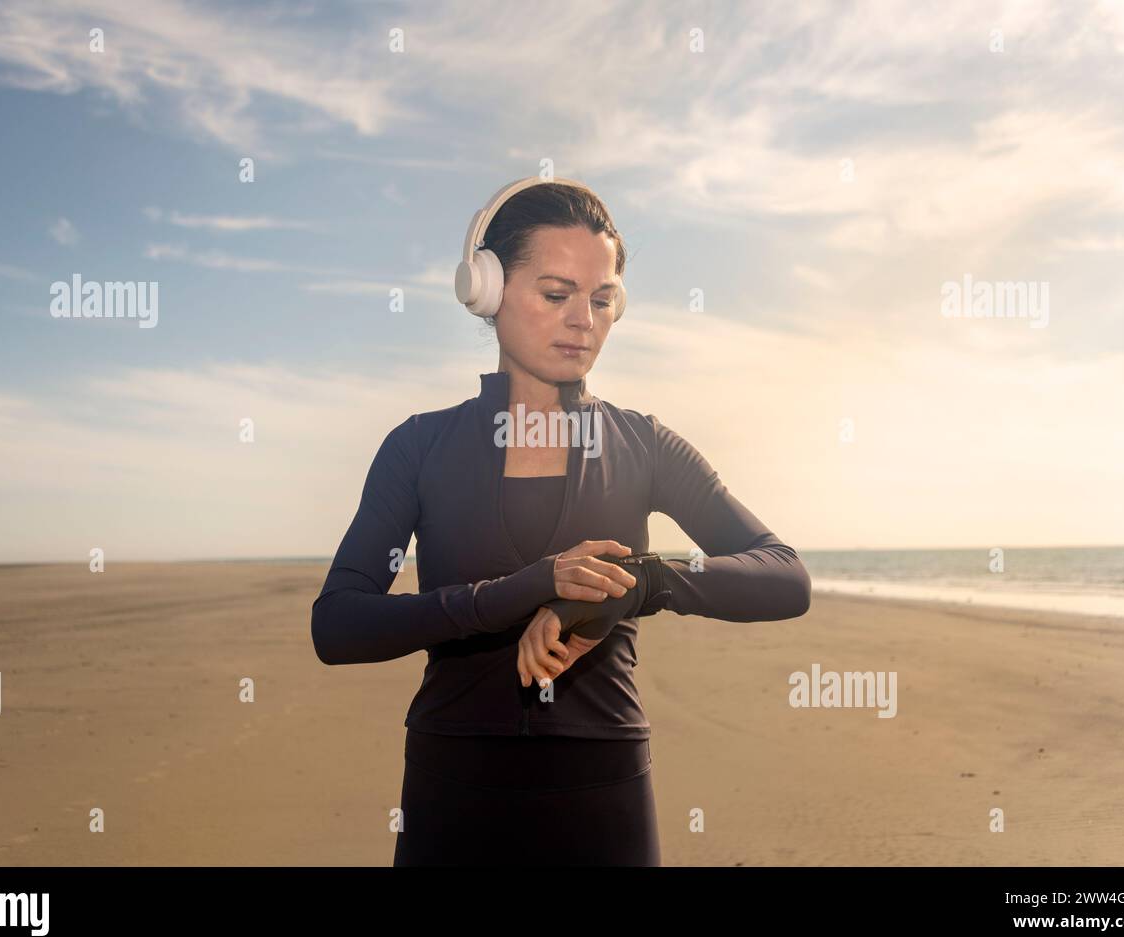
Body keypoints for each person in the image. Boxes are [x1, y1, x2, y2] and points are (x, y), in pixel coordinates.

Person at [311, 176, 811, 866]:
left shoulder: (645, 445)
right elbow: (337, 625)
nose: (584, 321)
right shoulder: (418, 447)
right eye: (556, 295)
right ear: (485, 290)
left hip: (602, 787)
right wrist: (519, 591)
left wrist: (641, 584)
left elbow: (785, 575)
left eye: (602, 300)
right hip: (454, 786)